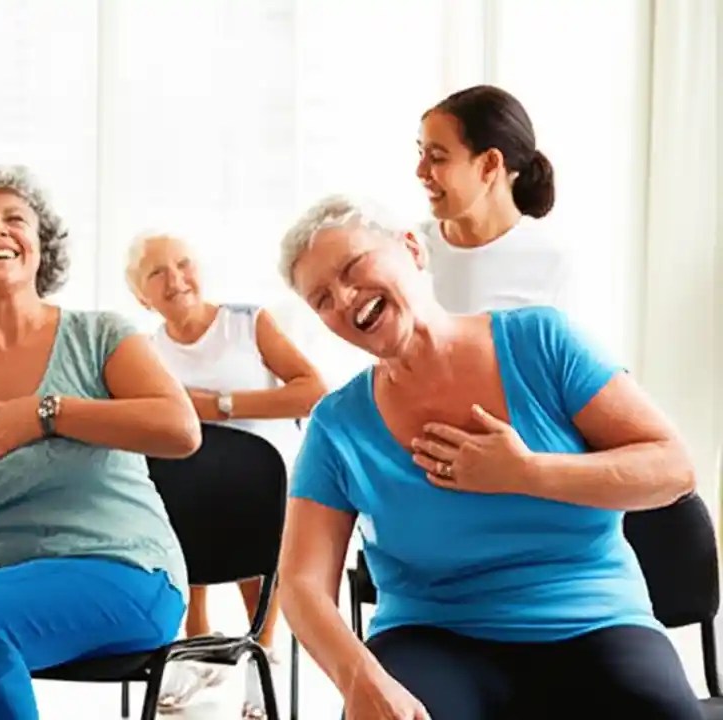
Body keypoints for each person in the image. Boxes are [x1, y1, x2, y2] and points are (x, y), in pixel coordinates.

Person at [274, 194, 701, 719]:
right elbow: (301, 584)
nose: (342, 298)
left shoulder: (542, 342)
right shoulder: (337, 426)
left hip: (592, 618)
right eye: (320, 298)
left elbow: (672, 468)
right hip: (435, 634)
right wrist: (359, 676)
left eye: (352, 266)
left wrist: (526, 472)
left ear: (412, 248)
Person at [0, 165, 197, 718]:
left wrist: (50, 414)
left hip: (126, 572)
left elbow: (180, 430)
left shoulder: (100, 337)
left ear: (40, 247)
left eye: (14, 219)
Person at [126, 230, 327, 717]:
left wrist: (216, 406)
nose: (174, 279)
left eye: (183, 263)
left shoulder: (247, 322)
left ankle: (262, 651)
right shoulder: (145, 349)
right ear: (140, 295)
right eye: (157, 273)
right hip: (188, 493)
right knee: (172, 497)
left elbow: (313, 390)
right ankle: (197, 644)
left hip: (262, 486)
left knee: (242, 519)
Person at [416, 84, 574, 315]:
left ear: (490, 164)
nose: (420, 171)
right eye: (421, 154)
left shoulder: (551, 263)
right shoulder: (409, 251)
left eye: (437, 158)